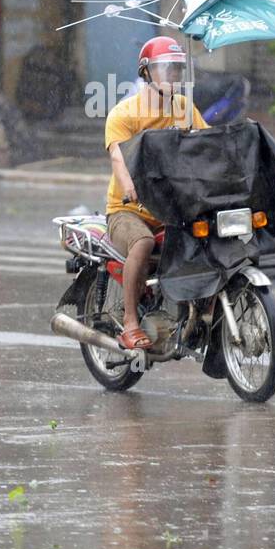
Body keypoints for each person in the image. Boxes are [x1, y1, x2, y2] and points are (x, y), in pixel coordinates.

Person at [104, 36, 208, 350]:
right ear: (147, 73)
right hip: (129, 211)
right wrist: (131, 187)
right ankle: (131, 323)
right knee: (143, 241)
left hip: (172, 208)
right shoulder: (125, 113)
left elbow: (207, 146)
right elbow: (118, 156)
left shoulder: (185, 108)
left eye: (177, 69)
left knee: (211, 238)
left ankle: (202, 318)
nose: (173, 76)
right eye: (166, 69)